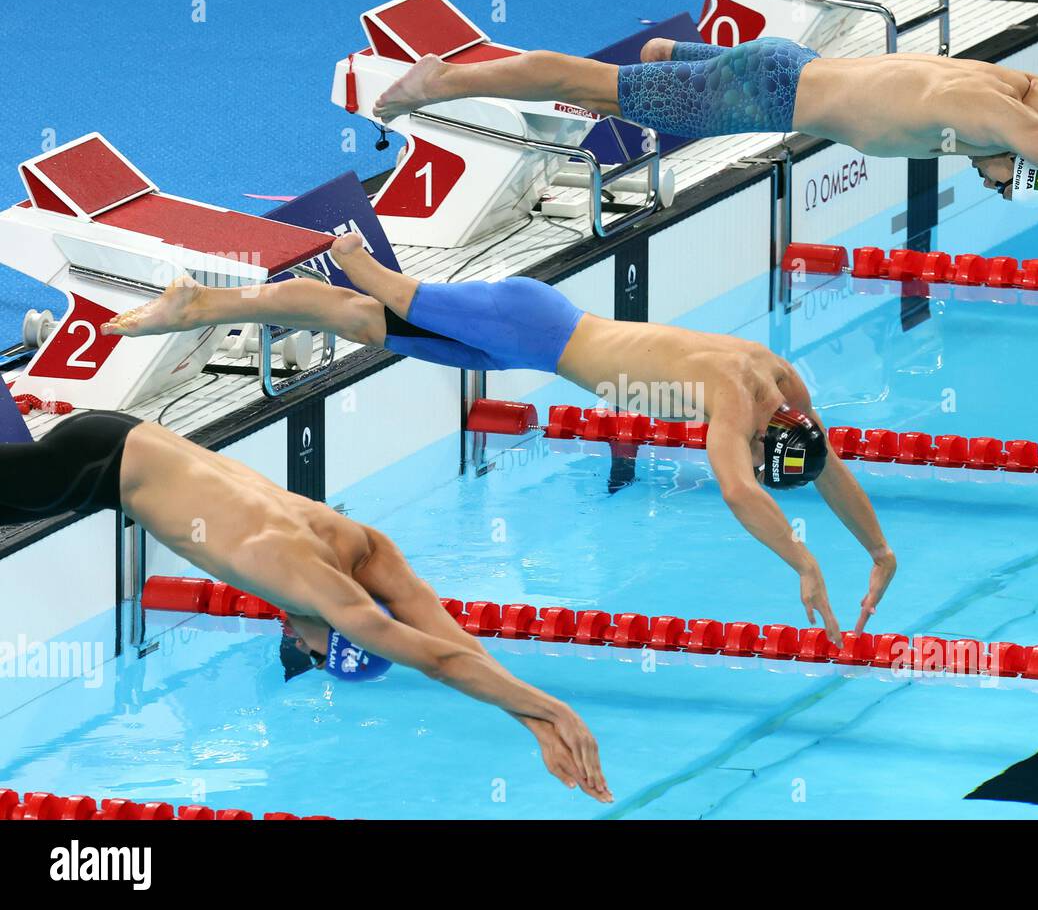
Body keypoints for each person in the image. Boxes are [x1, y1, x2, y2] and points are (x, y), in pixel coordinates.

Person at [102, 233, 897, 645]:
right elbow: (736, 490)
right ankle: (233, 294)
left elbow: (828, 471)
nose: (748, 452)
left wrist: (878, 549)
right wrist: (802, 562)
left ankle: (232, 299)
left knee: (359, 322)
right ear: (766, 441)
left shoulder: (782, 385)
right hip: (531, 321)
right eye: (760, 452)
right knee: (374, 296)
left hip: (526, 344)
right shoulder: (735, 400)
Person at [0, 403, 612, 803]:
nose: (298, 646)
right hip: (96, 470)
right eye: (319, 655)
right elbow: (441, 661)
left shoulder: (362, 550)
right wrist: (560, 711)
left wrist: (533, 725)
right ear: (340, 635)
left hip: (121, 433)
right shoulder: (311, 588)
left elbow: (456, 645)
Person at [371, 37, 1038, 261]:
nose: (1005, 187)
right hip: (767, 91)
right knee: (596, 84)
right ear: (1016, 155)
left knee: (644, 75)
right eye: (1015, 183)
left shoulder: (1018, 92)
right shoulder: (1017, 126)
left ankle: (661, 57)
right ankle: (442, 81)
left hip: (796, 68)